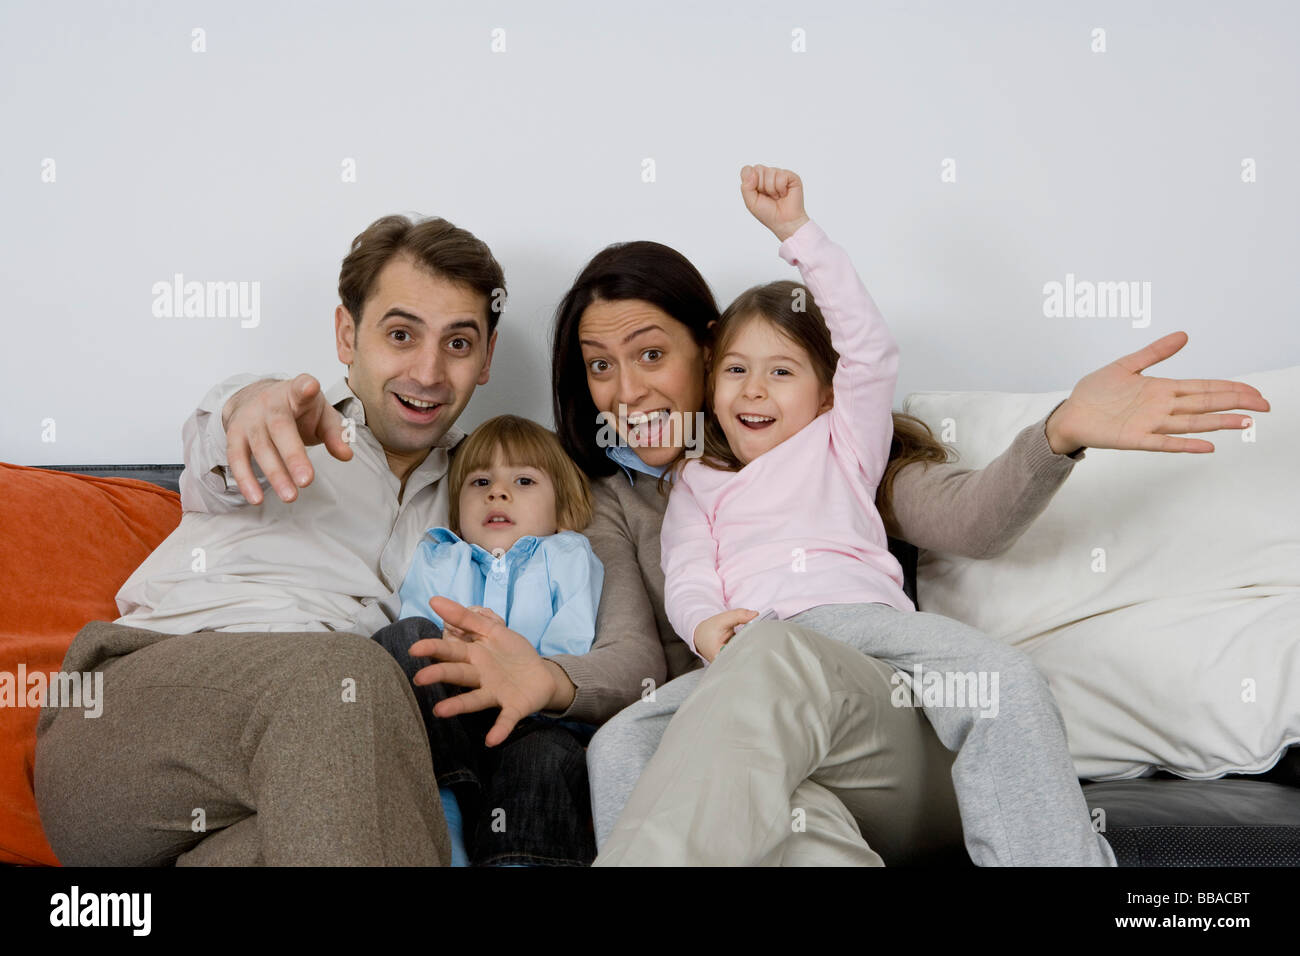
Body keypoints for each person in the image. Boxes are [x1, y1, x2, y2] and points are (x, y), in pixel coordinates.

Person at [595, 166, 1114, 865]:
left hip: (863, 637)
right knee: (619, 742)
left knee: (1003, 679)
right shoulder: (697, 481)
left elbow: (870, 349)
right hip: (748, 657)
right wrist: (700, 624)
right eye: (736, 370)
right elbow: (687, 568)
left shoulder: (841, 444)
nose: (755, 389)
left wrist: (797, 234)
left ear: (829, 394)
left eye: (782, 371)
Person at [34, 213, 507, 865]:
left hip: (292, 790)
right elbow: (224, 437)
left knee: (386, 796)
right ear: (347, 334)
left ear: (487, 359)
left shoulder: (496, 494)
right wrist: (252, 407)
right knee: (348, 675)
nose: (426, 372)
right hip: (127, 730)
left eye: (458, 343)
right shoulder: (288, 423)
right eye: (401, 334)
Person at [371, 414, 605, 865]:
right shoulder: (438, 554)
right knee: (404, 637)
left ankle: (518, 858)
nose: (497, 492)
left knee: (548, 758)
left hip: (534, 723)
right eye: (480, 481)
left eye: (523, 480)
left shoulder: (569, 554)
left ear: (561, 506)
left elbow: (573, 646)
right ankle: (445, 815)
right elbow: (415, 643)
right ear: (457, 508)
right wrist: (451, 638)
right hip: (450, 724)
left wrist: (502, 650)